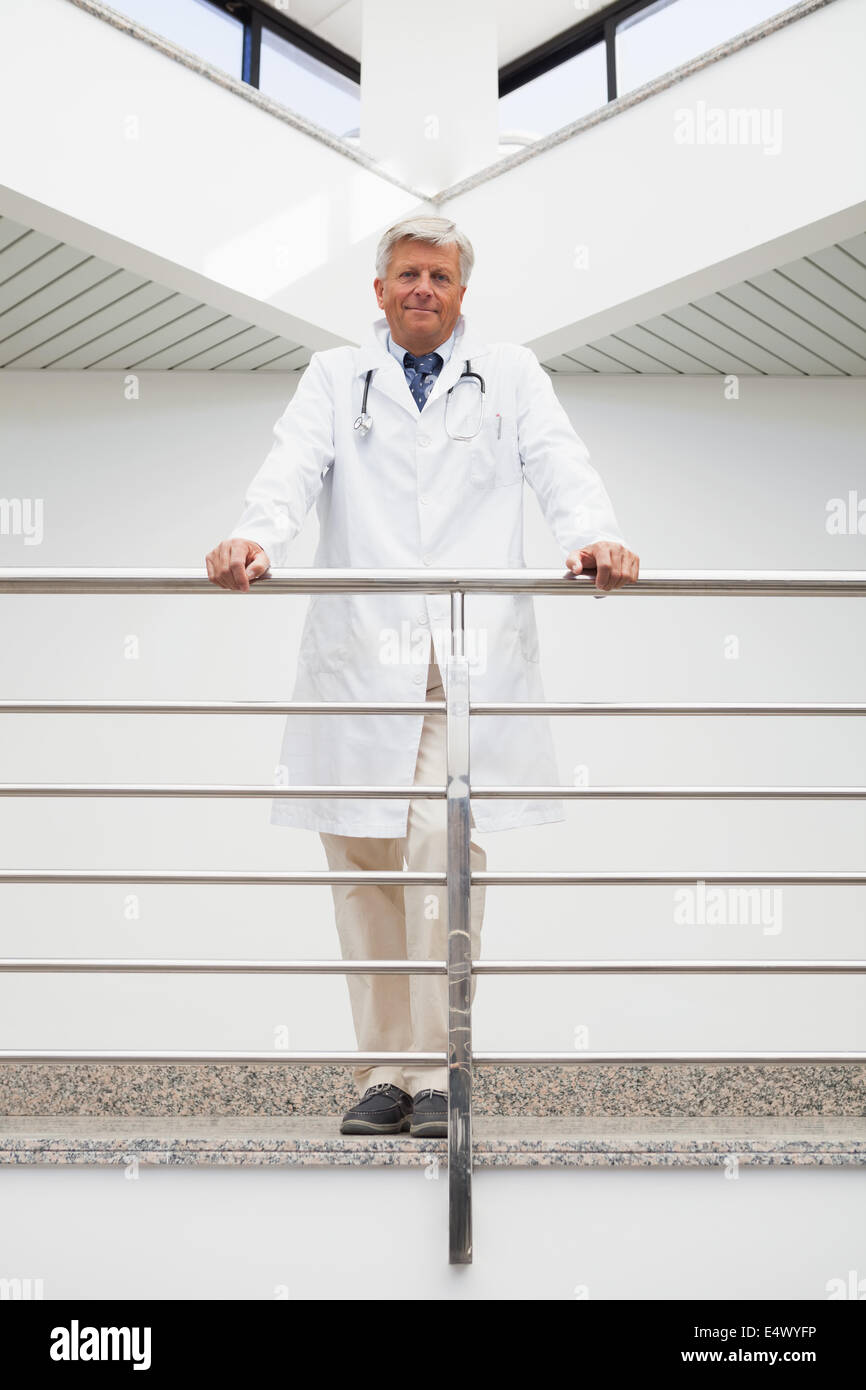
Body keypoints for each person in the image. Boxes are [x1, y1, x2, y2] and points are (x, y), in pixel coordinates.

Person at [206, 215, 639, 1137]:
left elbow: (561, 464)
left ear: (460, 292)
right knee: (360, 866)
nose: (422, 290)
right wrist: (255, 535)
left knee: (441, 856)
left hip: (461, 658)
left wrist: (592, 536)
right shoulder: (334, 376)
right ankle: (385, 1075)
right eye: (407, 274)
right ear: (379, 290)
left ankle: (442, 1073)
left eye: (439, 277)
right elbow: (292, 467)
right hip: (360, 655)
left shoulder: (511, 374)